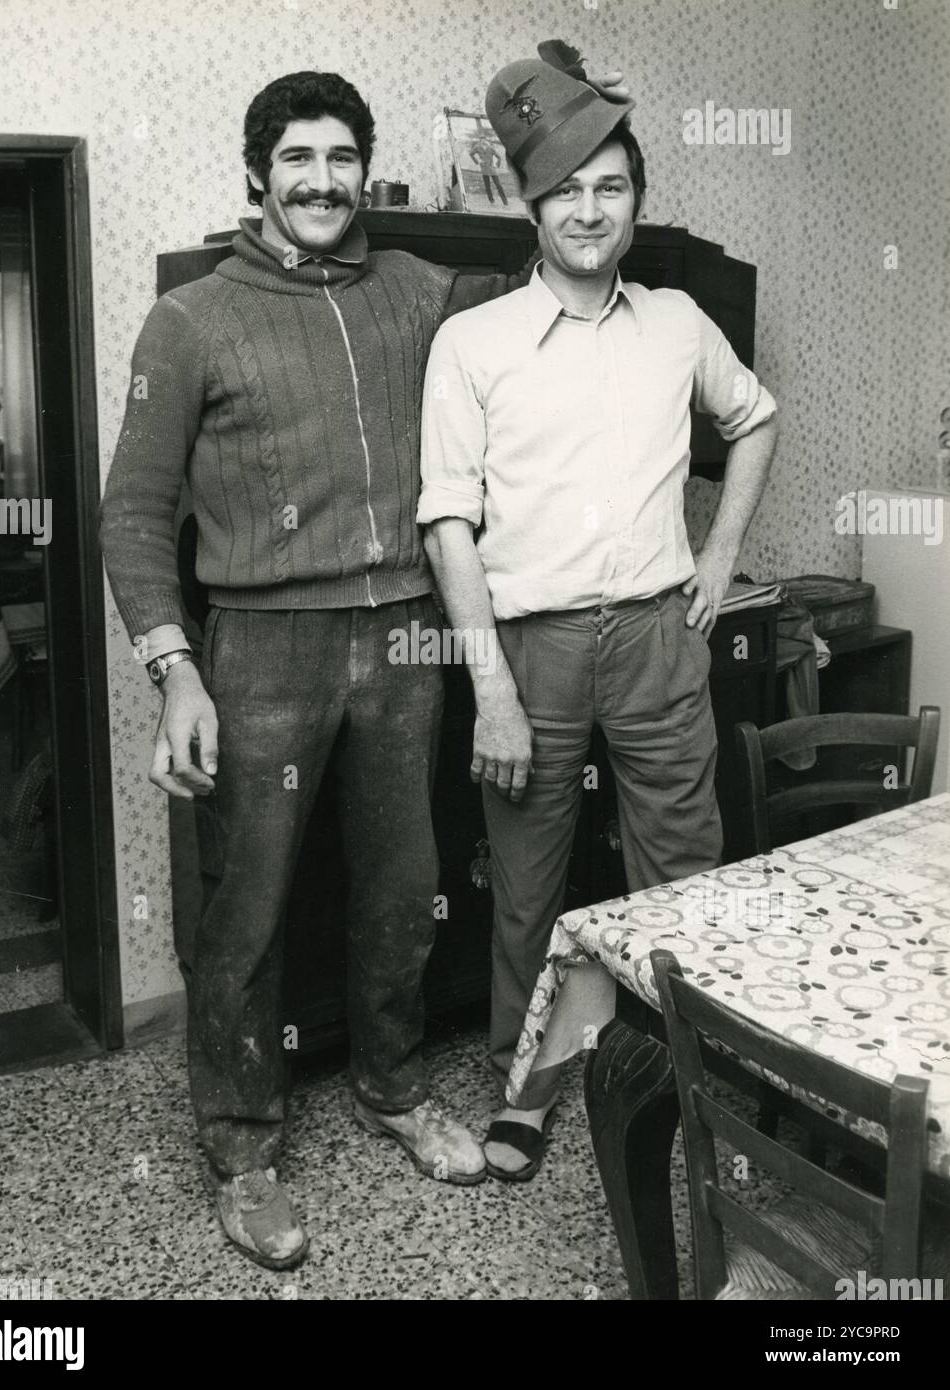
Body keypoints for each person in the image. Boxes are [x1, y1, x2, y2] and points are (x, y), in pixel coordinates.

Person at [100, 64, 633, 1270]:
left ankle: (393, 1088)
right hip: (257, 647)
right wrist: (176, 670)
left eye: (343, 158)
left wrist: (571, 120)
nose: (323, 181)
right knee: (245, 908)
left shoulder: (418, 289)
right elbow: (131, 514)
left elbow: (557, 267)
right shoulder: (191, 317)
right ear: (258, 175)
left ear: (365, 169)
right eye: (299, 160)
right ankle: (243, 1150)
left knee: (404, 883)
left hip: (405, 637)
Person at [418, 48, 779, 1183]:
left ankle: (702, 1078)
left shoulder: (676, 322)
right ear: (534, 203)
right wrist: (491, 691)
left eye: (610, 187)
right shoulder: (472, 343)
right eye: (567, 188)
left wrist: (720, 553)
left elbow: (756, 419)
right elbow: (446, 527)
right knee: (527, 882)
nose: (589, 208)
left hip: (660, 637)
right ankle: (529, 1088)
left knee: (689, 865)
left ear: (634, 199)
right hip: (531, 651)